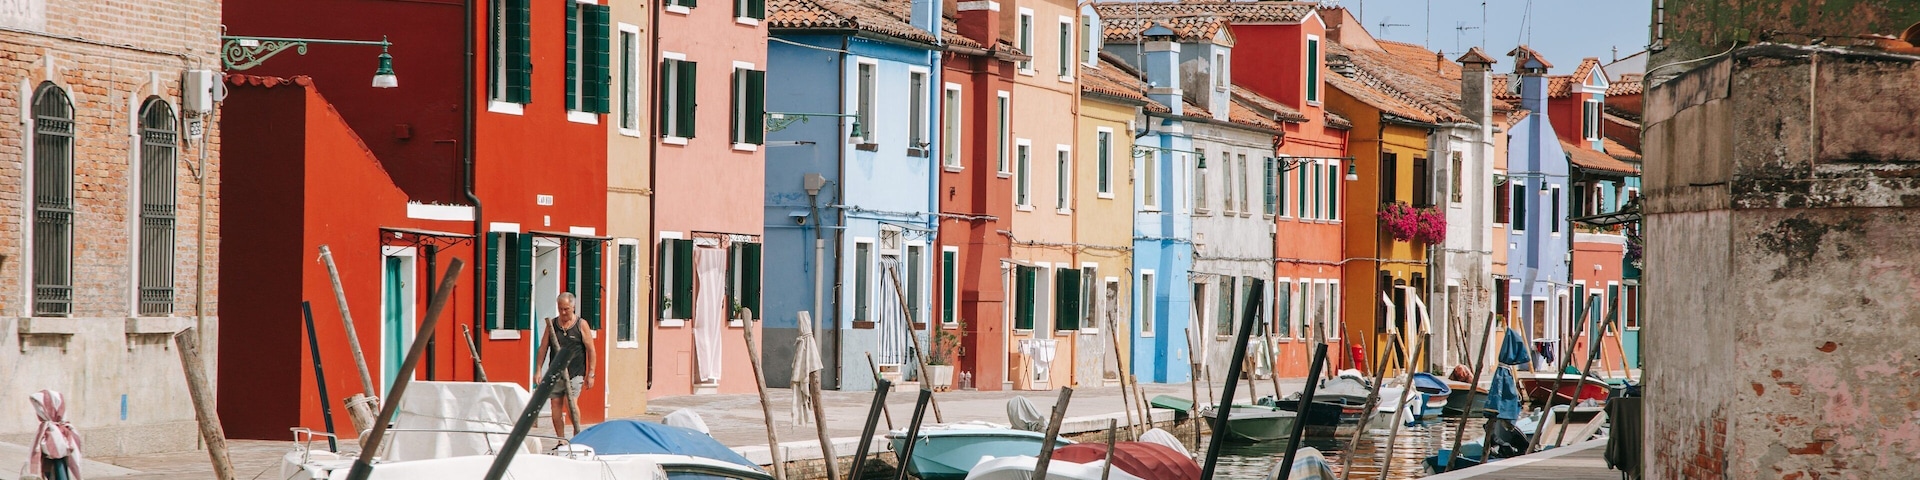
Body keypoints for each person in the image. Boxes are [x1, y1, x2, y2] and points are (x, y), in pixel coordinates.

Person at [537, 292, 596, 440]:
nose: (563, 312)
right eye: (560, 308)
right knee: (555, 406)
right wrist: (538, 370)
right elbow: (543, 348)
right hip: (555, 372)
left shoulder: (581, 325)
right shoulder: (552, 325)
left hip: (575, 372)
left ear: (573, 307)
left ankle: (577, 436)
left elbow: (591, 350)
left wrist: (591, 373)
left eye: (566, 309)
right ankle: (561, 440)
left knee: (571, 404)